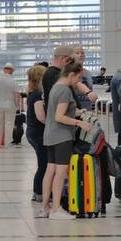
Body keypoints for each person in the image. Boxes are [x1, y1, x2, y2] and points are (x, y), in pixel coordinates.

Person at [39, 60, 89, 219]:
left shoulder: (55, 87)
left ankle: (45, 207)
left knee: (50, 171)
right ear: (72, 74)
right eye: (78, 78)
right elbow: (60, 116)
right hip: (62, 136)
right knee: (60, 173)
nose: (78, 82)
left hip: (50, 134)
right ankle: (56, 209)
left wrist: (77, 112)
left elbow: (58, 112)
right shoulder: (65, 91)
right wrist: (79, 122)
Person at [24, 64, 48, 202]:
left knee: (43, 163)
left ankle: (38, 192)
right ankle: (38, 192)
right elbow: (41, 116)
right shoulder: (38, 95)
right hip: (38, 132)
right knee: (43, 164)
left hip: (33, 131)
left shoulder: (32, 93)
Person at [0, 64, 19, 147]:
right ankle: (8, 143)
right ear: (11, 71)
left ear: (4, 70)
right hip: (10, 105)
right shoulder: (13, 81)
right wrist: (17, 106)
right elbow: (16, 95)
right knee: (9, 124)